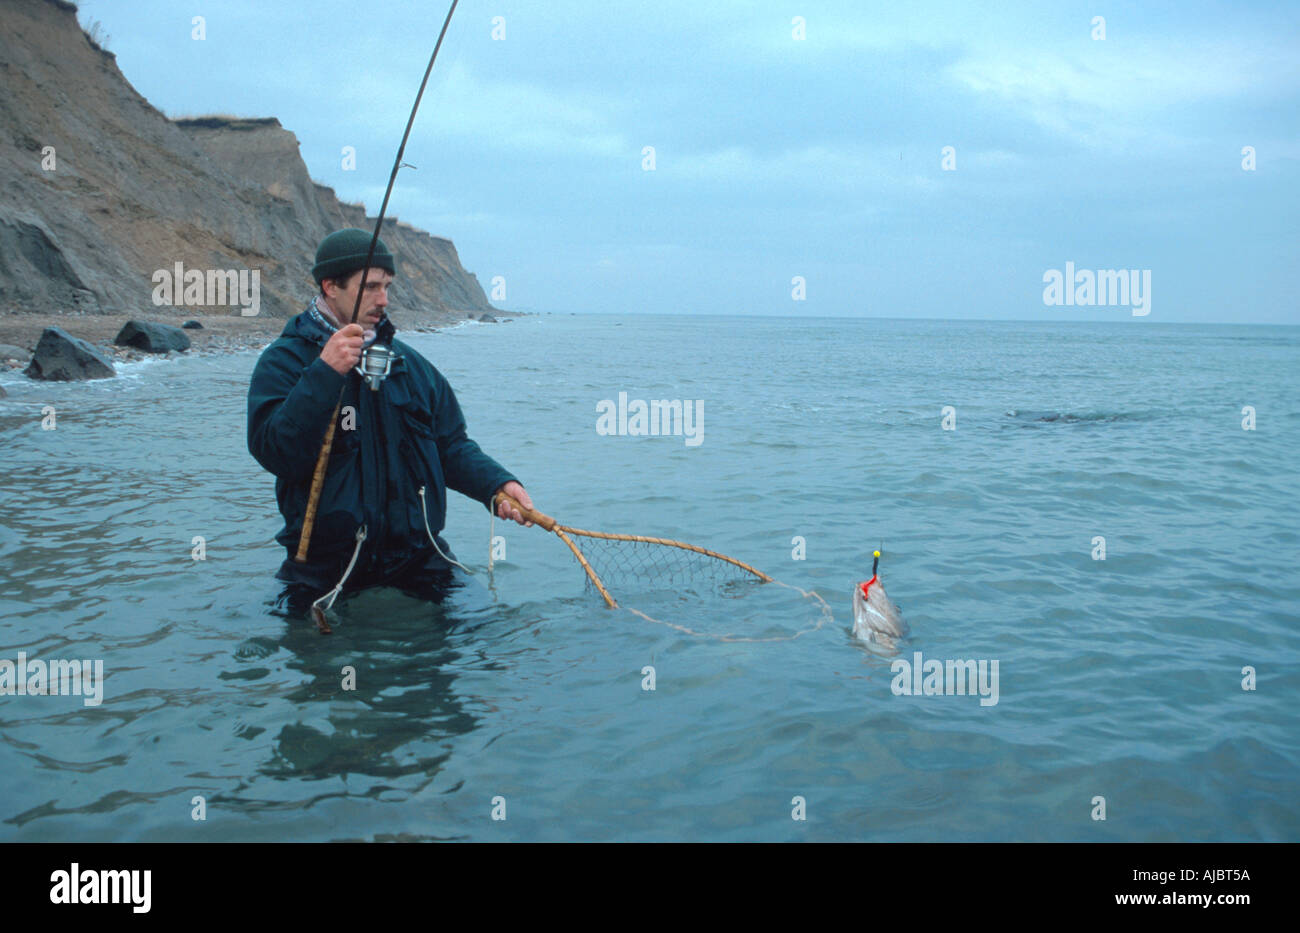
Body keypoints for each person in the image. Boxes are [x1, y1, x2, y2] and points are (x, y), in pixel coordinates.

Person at [247, 228, 532, 619]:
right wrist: (324, 373)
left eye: (387, 286)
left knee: (491, 632)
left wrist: (497, 484)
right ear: (331, 286)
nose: (384, 299)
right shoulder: (283, 363)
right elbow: (276, 451)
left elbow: (451, 446)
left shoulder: (412, 367)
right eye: (372, 287)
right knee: (316, 666)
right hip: (321, 566)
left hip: (417, 557)